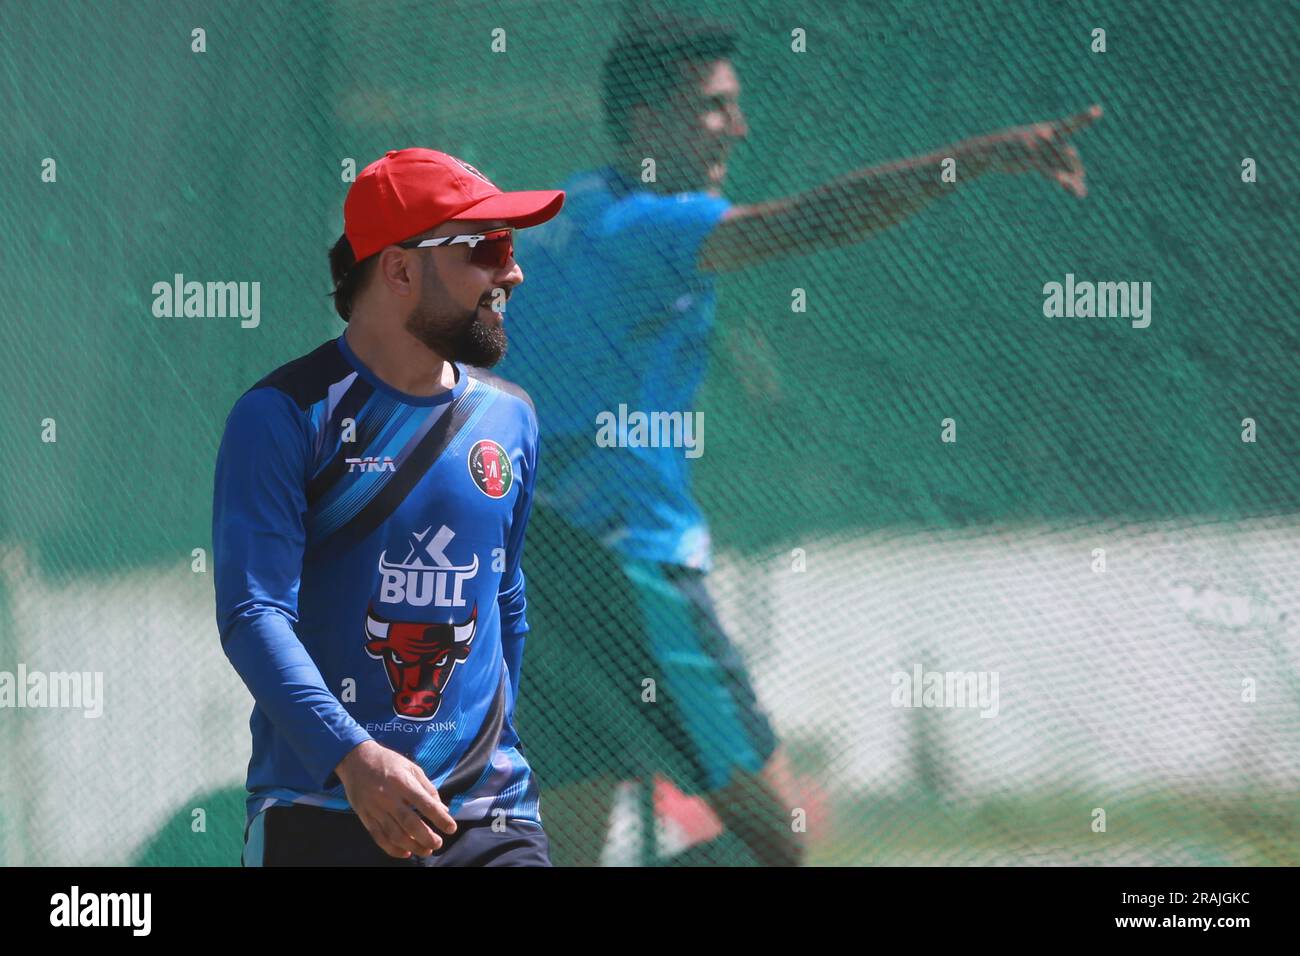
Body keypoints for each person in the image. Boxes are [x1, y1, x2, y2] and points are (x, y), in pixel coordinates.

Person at [503, 11, 1101, 867]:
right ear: (644, 120)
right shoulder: (654, 226)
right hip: (630, 569)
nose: (736, 127)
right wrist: (983, 154)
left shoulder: (559, 212)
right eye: (714, 106)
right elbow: (822, 218)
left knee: (558, 853)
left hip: (536, 575)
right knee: (781, 846)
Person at [213, 147, 564, 866]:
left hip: (487, 815)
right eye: (487, 248)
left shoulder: (511, 419)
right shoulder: (282, 416)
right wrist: (353, 757)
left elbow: (507, 600)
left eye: (512, 248)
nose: (512, 272)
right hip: (323, 810)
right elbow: (253, 614)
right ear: (400, 269)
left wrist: (496, 751)